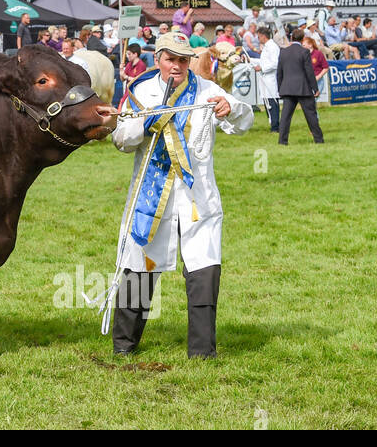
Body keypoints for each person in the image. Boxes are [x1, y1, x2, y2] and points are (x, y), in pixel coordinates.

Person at [110, 31, 253, 359]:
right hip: (152, 194)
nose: (177, 65)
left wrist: (230, 108)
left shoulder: (206, 89)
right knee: (140, 265)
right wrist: (146, 124)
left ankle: (202, 352)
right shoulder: (140, 91)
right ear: (158, 58)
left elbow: (244, 120)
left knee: (204, 269)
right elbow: (120, 138)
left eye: (183, 60)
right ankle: (123, 345)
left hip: (197, 197)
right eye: (170, 58)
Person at [276, 29, 324, 146]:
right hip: (303, 88)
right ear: (303, 39)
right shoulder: (305, 52)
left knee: (285, 117)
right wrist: (315, 88)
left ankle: (282, 141)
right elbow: (309, 71)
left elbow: (279, 73)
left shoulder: (283, 52)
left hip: (287, 88)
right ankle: (318, 139)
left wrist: (280, 89)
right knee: (311, 115)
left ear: (291, 38)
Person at [254, 26, 281, 132]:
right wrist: (249, 60)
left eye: (259, 37)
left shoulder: (272, 47)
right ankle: (272, 124)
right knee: (267, 103)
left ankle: (275, 126)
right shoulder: (266, 47)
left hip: (271, 79)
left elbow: (275, 63)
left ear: (263, 36)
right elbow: (263, 61)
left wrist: (261, 68)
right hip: (265, 79)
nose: (258, 39)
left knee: (272, 103)